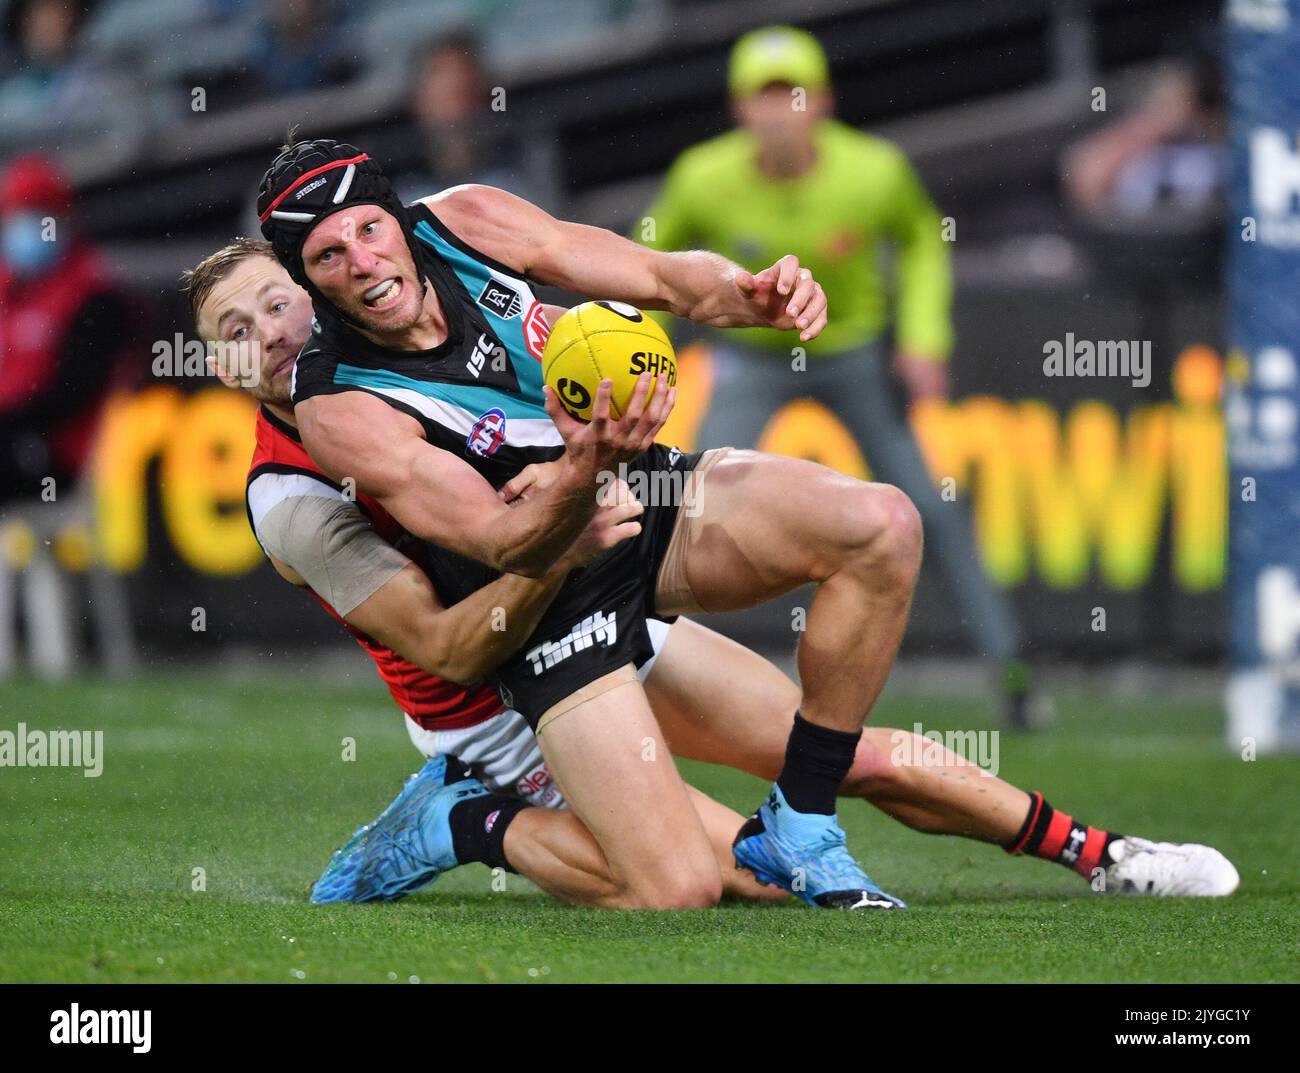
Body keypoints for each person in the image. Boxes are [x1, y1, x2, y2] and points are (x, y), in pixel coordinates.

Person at [253, 137, 1223, 911]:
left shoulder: (462, 221)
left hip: (636, 499)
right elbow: (497, 538)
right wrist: (582, 466)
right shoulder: (336, 402)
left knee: (877, 527)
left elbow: (654, 273)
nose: (362, 261)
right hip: (542, 604)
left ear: (394, 216)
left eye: (369, 230)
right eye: (328, 256)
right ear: (309, 277)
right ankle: (466, 821)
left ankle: (1079, 850)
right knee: (676, 889)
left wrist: (747, 293)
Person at [639, 25, 1038, 727]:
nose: (776, 113)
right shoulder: (703, 176)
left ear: (820, 101)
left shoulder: (873, 171)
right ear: (740, 110)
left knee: (925, 505)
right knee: (682, 498)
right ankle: (639, 663)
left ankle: (1012, 669)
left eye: (789, 95)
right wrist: (643, 355)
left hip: (853, 353)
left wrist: (922, 337)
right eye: (760, 98)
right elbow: (653, 265)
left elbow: (921, 242)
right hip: (755, 354)